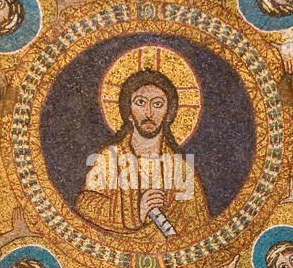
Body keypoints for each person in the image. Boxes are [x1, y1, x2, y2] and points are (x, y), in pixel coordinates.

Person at [75, 69, 210, 240]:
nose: (148, 113)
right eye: (140, 102)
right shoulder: (110, 158)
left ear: (168, 114)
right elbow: (85, 205)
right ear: (129, 112)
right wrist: (136, 212)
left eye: (157, 104)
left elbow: (198, 229)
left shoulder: (182, 170)